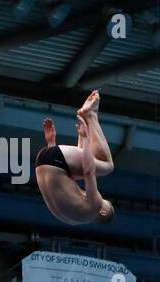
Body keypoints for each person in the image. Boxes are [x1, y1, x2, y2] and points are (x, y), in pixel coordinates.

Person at [35, 90, 116, 225]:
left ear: (103, 211)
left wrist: (85, 136)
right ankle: (85, 117)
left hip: (57, 160)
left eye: (105, 201)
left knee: (107, 166)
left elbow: (89, 171)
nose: (100, 197)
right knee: (76, 173)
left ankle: (90, 115)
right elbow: (54, 185)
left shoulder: (95, 207)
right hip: (43, 161)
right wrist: (50, 143)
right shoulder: (72, 220)